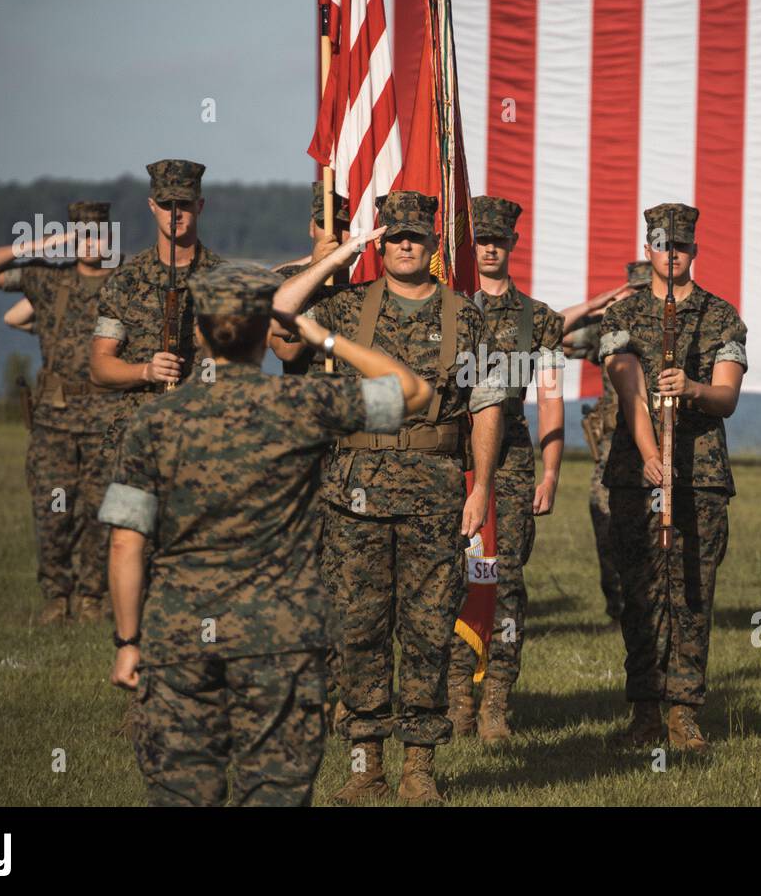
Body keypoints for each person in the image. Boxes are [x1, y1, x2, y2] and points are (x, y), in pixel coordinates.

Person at [103, 259, 432, 806]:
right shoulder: (301, 405)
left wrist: (128, 641)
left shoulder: (154, 422)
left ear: (202, 330)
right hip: (279, 636)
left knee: (184, 790)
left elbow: (125, 541)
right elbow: (411, 390)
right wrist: (322, 335)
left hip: (180, 635)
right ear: (266, 331)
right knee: (273, 791)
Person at [287, 190, 504, 804]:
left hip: (435, 490)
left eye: (416, 236)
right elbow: (279, 328)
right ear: (379, 243)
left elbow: (487, 407)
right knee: (358, 628)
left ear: (434, 243)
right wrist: (331, 260)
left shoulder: (470, 316)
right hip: (355, 489)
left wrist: (481, 485)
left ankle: (418, 770)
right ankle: (365, 769)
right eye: (394, 236)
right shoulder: (347, 305)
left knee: (428, 629)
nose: (406, 244)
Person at [601, 204, 747, 751]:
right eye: (663, 244)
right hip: (639, 477)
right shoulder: (623, 316)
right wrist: (647, 451)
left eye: (682, 245)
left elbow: (726, 398)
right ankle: (644, 711)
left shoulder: (721, 316)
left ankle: (684, 711)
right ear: (648, 250)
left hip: (700, 476)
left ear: (694, 250)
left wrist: (692, 389)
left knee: (691, 594)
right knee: (639, 594)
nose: (672, 253)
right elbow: (629, 387)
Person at [445, 195, 565, 743]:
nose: (490, 247)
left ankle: (496, 702)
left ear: (513, 244)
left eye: (500, 239)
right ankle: (455, 702)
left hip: (514, 457)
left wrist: (551, 471)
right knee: (453, 575)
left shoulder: (539, 319)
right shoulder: (450, 306)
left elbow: (551, 394)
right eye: (482, 239)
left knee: (506, 578)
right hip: (453, 456)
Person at [0, 202, 119, 624]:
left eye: (99, 235)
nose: (92, 243)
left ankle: (92, 597)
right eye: (83, 235)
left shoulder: (126, 282)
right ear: (71, 239)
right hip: (54, 418)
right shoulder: (47, 279)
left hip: (107, 415)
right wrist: (40, 244)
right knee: (52, 511)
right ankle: (55, 596)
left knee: (100, 512)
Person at [90, 159, 224, 493]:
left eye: (184, 205)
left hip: (203, 443)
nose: (175, 213)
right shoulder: (126, 280)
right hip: (139, 443)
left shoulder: (224, 280)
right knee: (130, 540)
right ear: (152, 206)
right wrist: (146, 371)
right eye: (166, 205)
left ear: (200, 206)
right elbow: (100, 367)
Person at [566, 261, 652, 624]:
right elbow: (556, 334)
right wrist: (595, 308)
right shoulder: (608, 328)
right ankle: (618, 609)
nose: (640, 298)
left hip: (662, 450)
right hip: (612, 452)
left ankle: (654, 607)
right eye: (633, 291)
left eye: (646, 291)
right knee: (608, 529)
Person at [269, 180, 353, 375]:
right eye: (325, 224)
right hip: (307, 398)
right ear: (311, 228)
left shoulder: (370, 276)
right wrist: (319, 269)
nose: (334, 233)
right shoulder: (283, 279)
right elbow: (286, 351)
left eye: (344, 225)